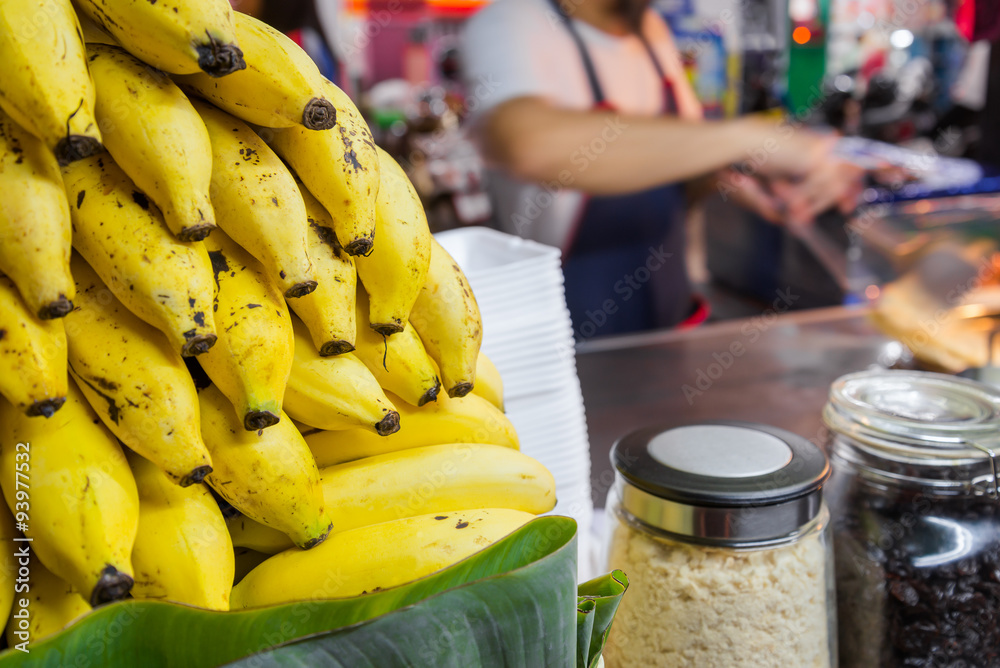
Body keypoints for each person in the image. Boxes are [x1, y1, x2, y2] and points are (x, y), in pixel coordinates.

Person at [460, 0, 866, 336]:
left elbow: (682, 162)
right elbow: (525, 143)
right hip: (570, 337)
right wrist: (749, 138)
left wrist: (750, 182)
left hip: (666, 321)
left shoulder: (650, 32)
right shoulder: (511, 21)